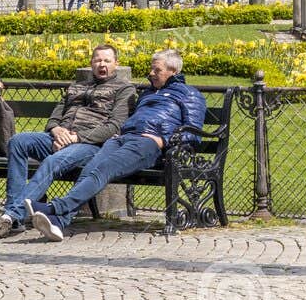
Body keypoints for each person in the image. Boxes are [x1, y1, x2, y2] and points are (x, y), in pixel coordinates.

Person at [26, 49, 206, 240]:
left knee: (103, 169)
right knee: (89, 170)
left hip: (147, 144)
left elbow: (193, 133)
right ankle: (58, 222)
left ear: (173, 71)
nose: (150, 73)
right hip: (121, 139)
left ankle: (54, 208)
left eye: (156, 70)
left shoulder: (189, 95)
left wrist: (163, 140)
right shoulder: (148, 93)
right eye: (151, 69)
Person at [0, 43, 136, 238]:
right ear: (91, 63)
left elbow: (114, 126)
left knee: (52, 161)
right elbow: (55, 116)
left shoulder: (124, 89)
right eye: (97, 60)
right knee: (18, 141)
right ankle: (15, 217)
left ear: (116, 64)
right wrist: (57, 129)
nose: (101, 65)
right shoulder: (77, 86)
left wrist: (75, 137)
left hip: (89, 145)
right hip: (59, 137)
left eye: (107, 61)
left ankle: (11, 216)